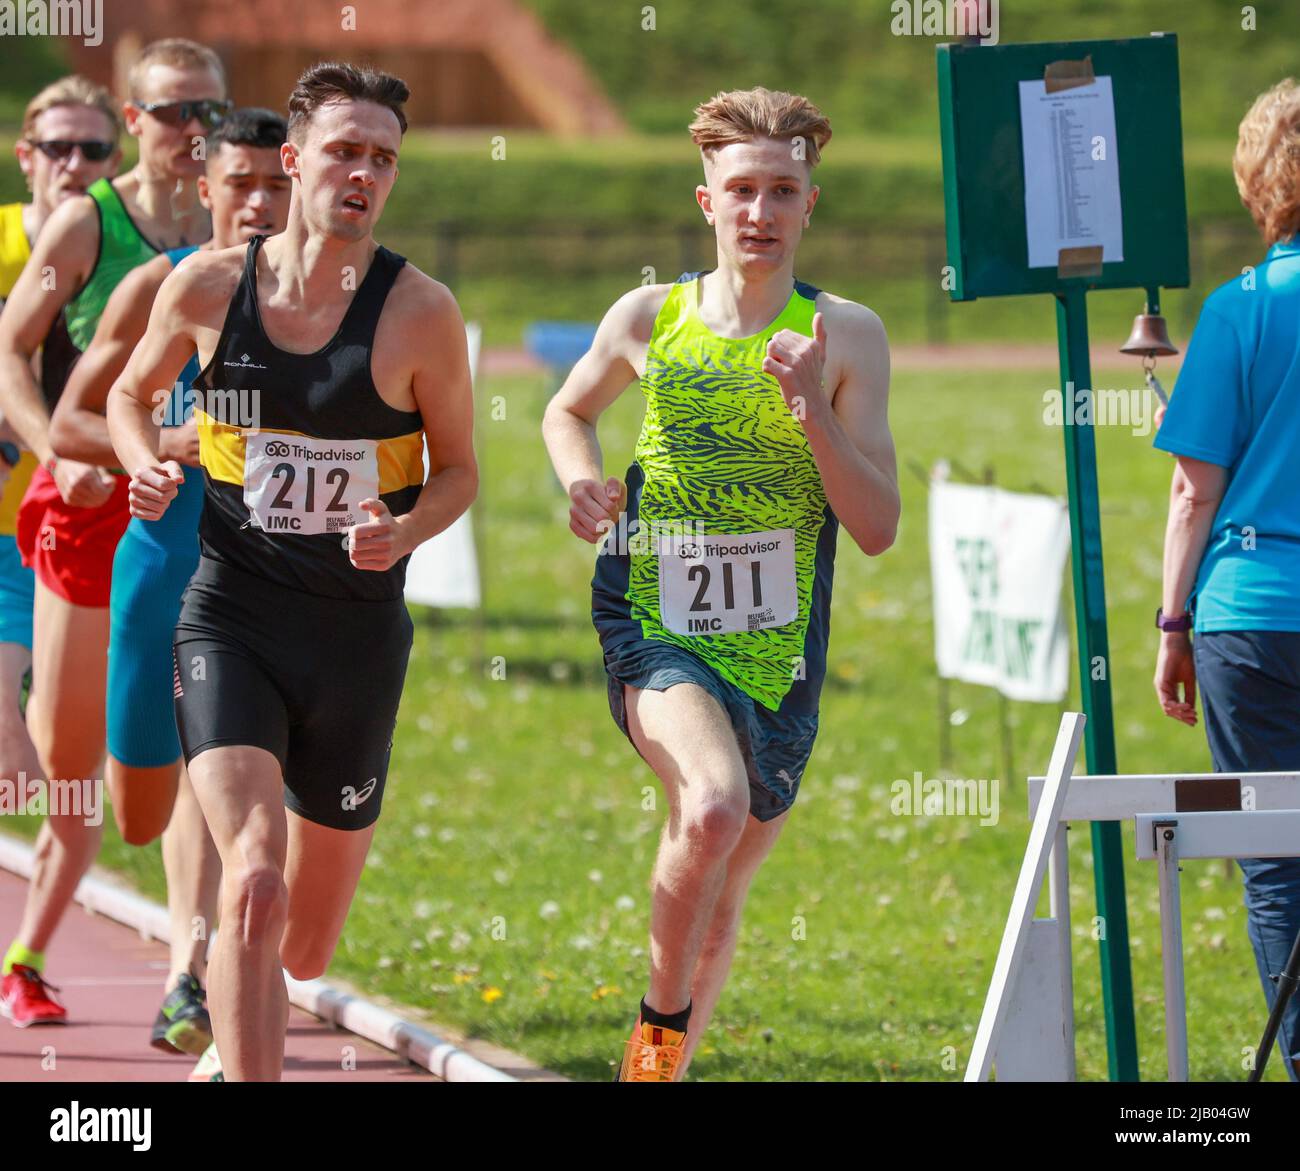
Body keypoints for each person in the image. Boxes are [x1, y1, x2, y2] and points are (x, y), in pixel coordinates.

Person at [107, 61, 477, 1082]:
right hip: (229, 617)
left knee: (300, 947)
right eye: (344, 152)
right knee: (253, 882)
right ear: (293, 159)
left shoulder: (420, 314)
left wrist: (400, 533)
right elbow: (134, 397)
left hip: (355, 642)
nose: (362, 173)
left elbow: (458, 474)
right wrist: (145, 457)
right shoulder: (208, 285)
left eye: (383, 159)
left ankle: (238, 1033)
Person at [541, 86, 899, 1081]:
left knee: (723, 886)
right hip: (653, 614)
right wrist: (583, 483)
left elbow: (874, 528)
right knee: (709, 806)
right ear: (707, 203)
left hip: (780, 647)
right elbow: (567, 412)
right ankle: (658, 1028)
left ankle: (661, 1069)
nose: (759, 211)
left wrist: (810, 413)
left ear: (808, 205)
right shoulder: (649, 317)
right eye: (740, 189)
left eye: (781, 190)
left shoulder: (845, 335)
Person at [48, 108, 292, 1056]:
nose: (262, 204)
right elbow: (78, 418)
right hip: (161, 567)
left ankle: (196, 974)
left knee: (224, 771)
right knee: (142, 805)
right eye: (242, 185)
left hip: (267, 592)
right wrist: (175, 445)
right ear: (207, 190)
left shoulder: (340, 298)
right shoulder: (166, 285)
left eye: (279, 182)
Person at [0, 38, 227, 1031]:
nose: (196, 134)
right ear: (134, 124)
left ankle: (189, 972)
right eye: (175, 114)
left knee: (204, 740)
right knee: (72, 770)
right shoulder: (91, 227)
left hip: (203, 519)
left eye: (209, 113)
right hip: (86, 513)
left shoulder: (245, 223)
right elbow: (10, 355)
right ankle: (30, 948)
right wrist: (62, 453)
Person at [1153, 77, 1300, 1082]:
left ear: (1256, 183)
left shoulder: (1236, 308)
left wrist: (1171, 621)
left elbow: (1189, 493)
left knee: (1275, 862)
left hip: (1246, 617)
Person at [0, 75, 123, 1028]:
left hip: (78, 530)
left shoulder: (122, 247)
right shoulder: (13, 241)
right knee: (16, 742)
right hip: (17, 521)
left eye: (95, 151)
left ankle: (27, 954)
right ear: (25, 154)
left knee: (64, 760)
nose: (76, 167)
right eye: (59, 149)